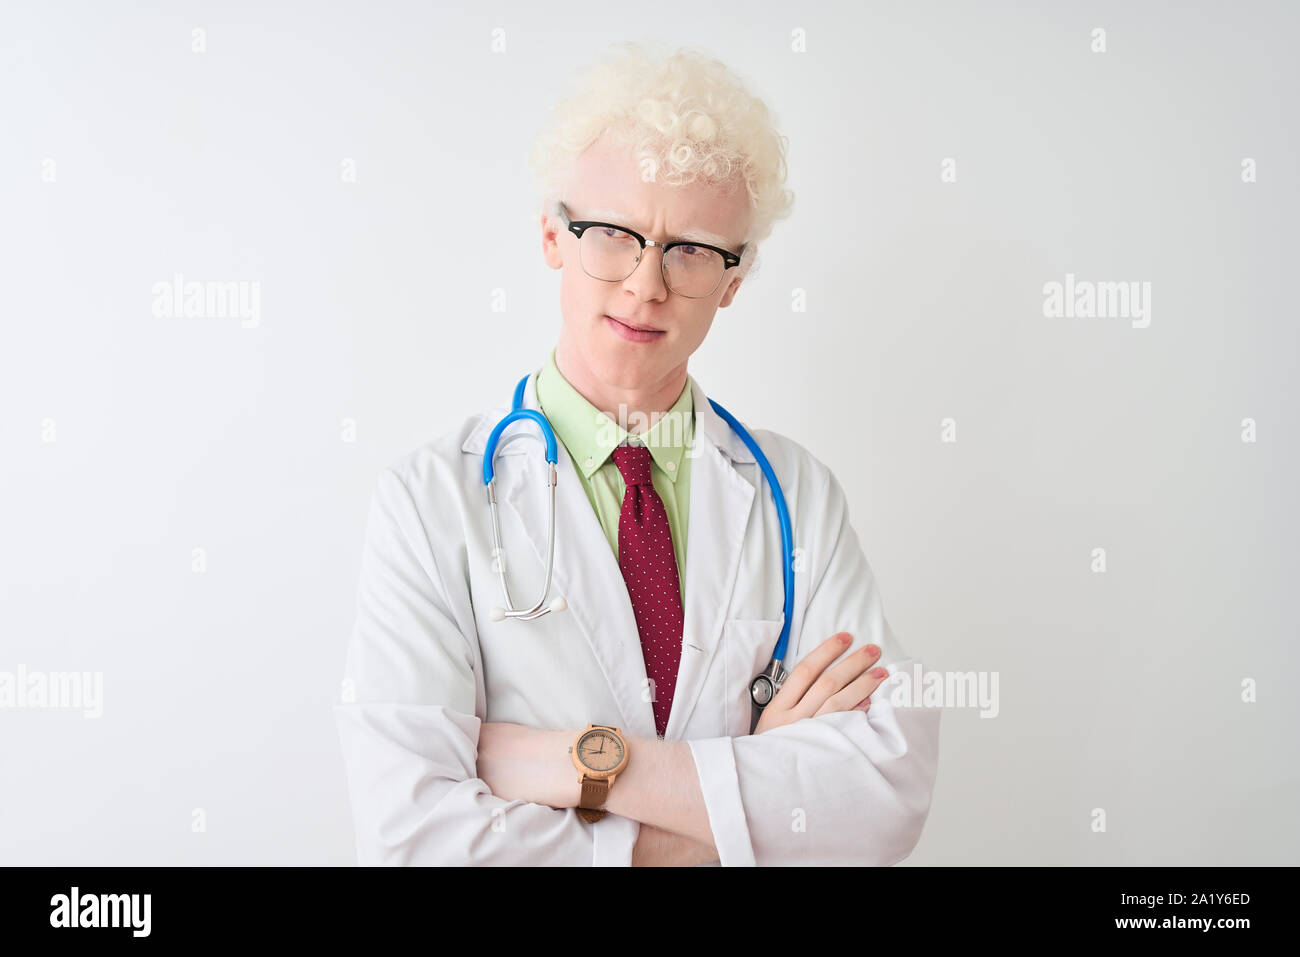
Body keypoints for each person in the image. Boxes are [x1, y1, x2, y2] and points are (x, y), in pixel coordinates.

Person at [333, 41, 940, 866]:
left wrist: (566, 761)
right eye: (613, 235)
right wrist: (733, 816)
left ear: (736, 278)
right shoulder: (431, 501)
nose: (646, 285)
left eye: (691, 249)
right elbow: (411, 837)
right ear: (553, 234)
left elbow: (880, 796)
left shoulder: (797, 495)